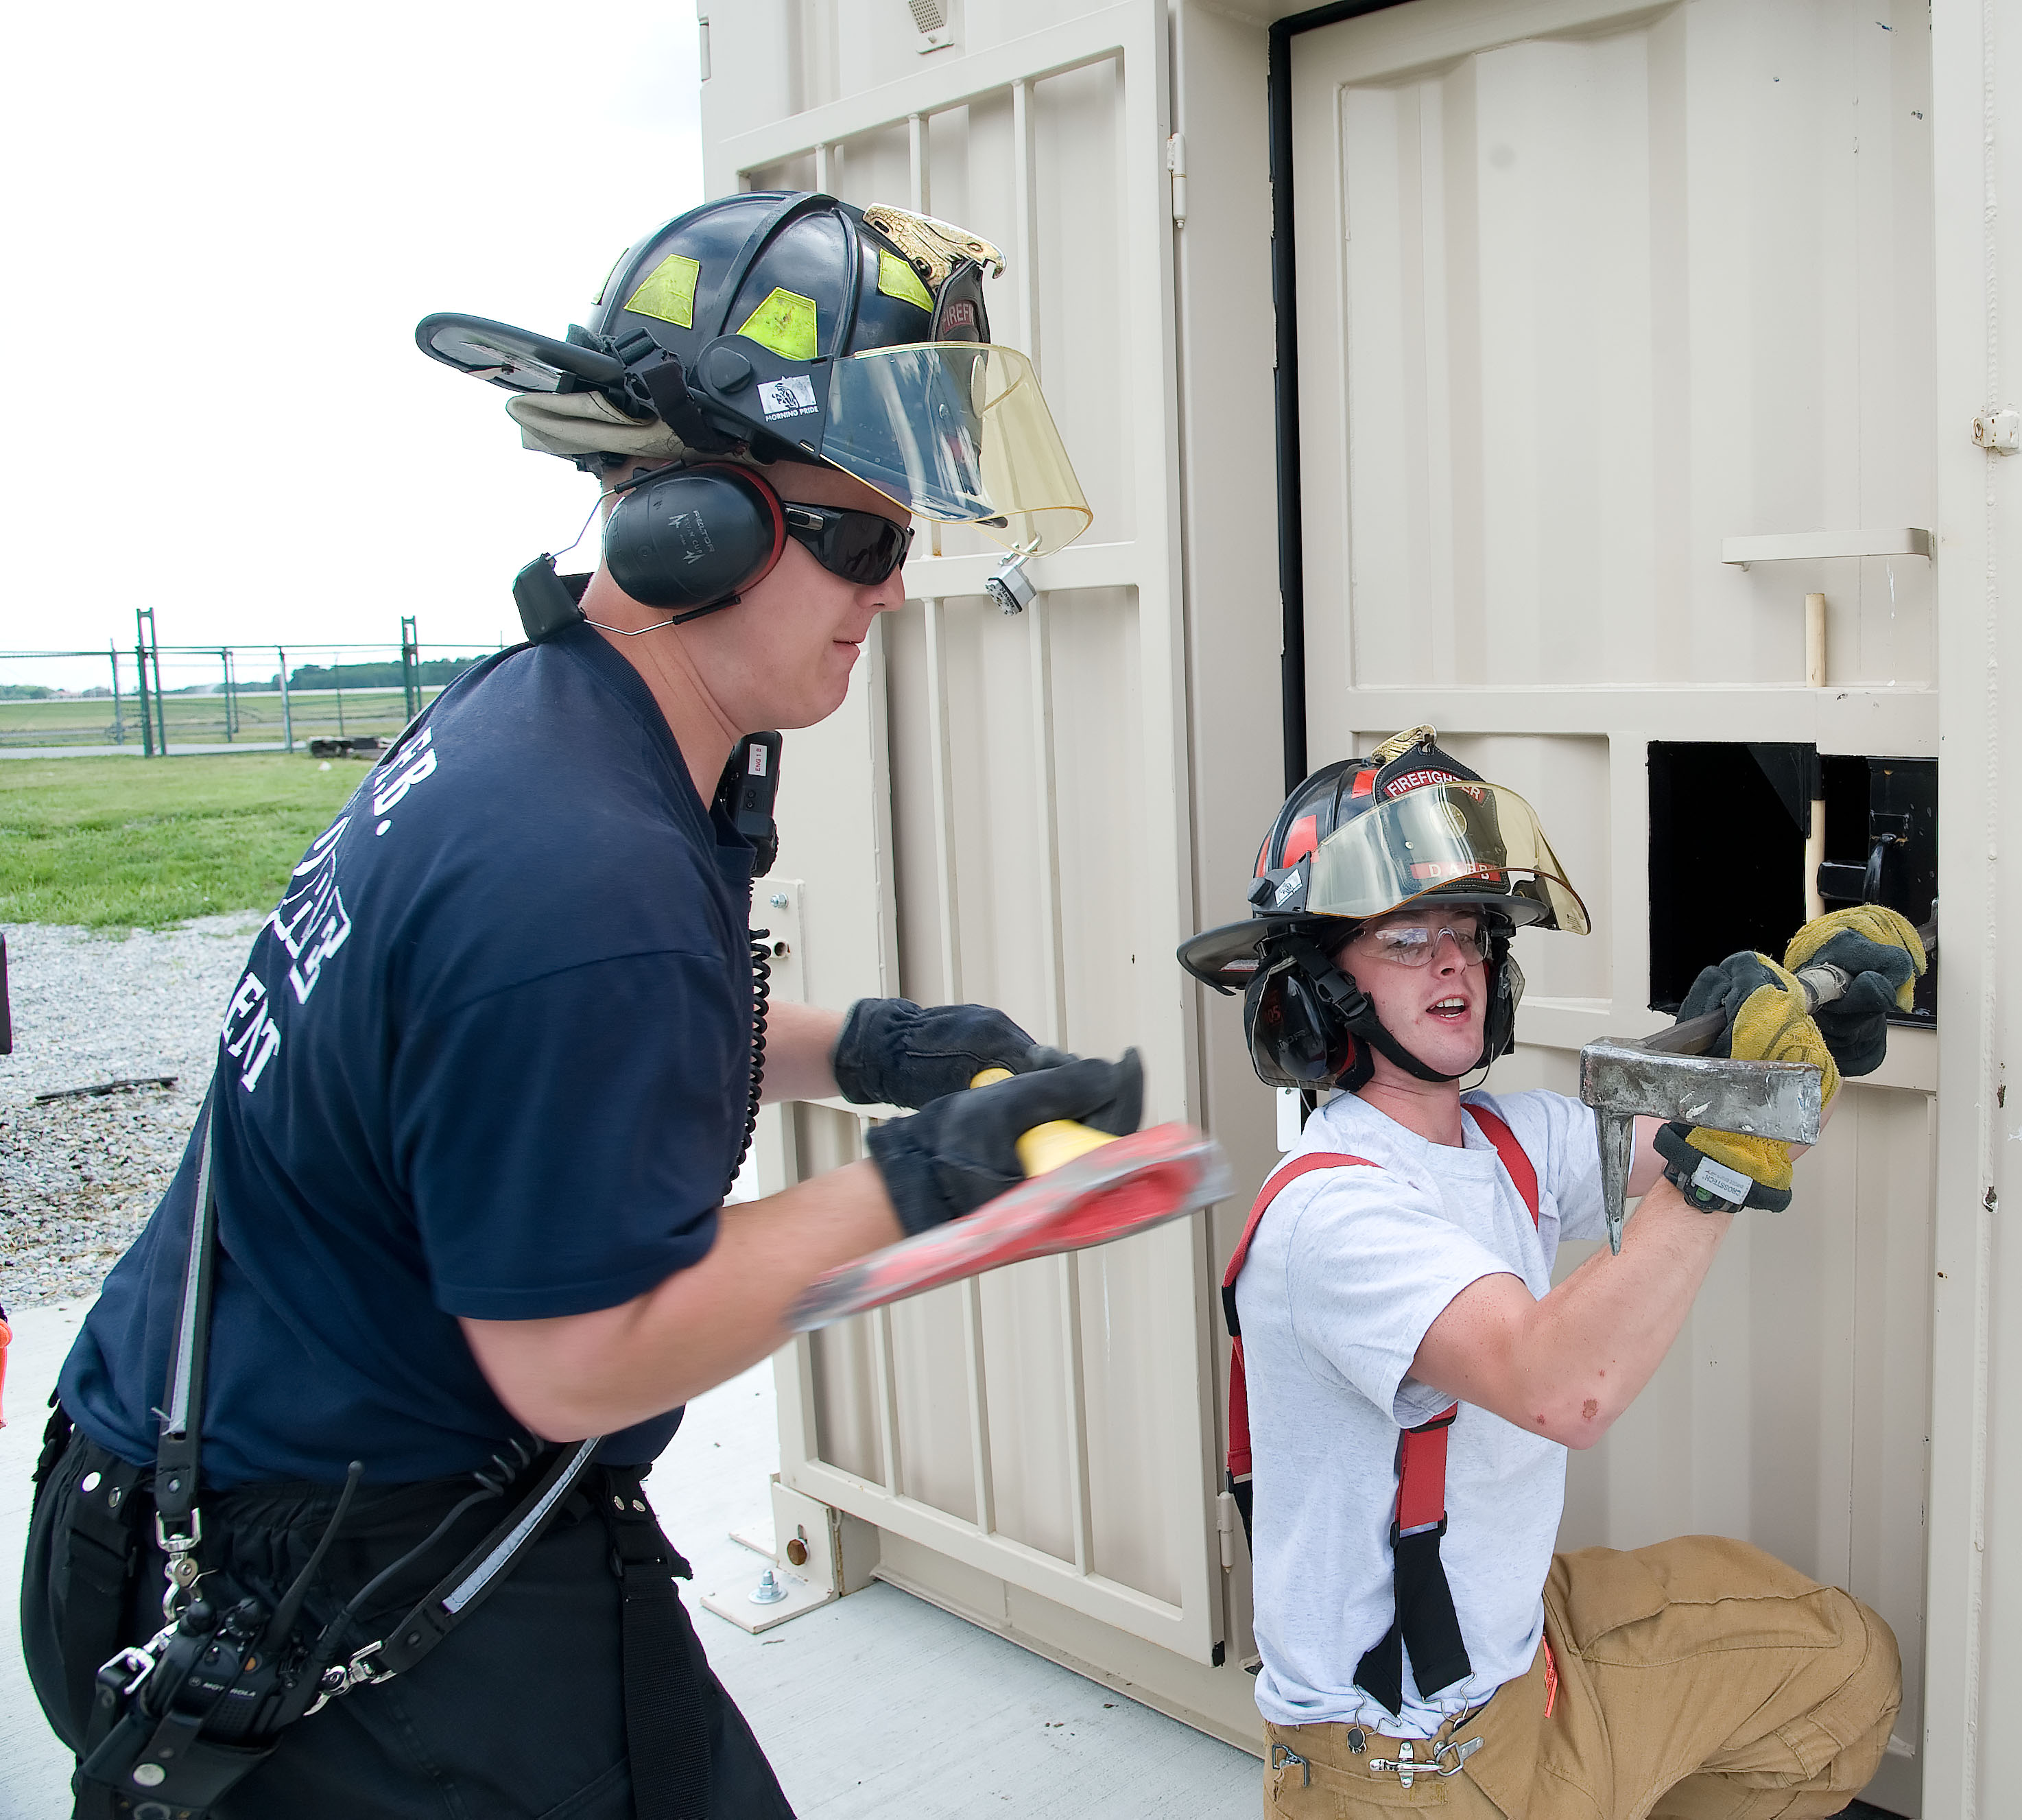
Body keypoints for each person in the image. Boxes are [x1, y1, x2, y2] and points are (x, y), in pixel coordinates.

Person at [21, 191, 1139, 1820]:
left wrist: (874, 1052)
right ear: (701, 526)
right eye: (870, 536)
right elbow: (577, 1361)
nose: (892, 593)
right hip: (323, 1573)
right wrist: (933, 1185)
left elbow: (542, 1072)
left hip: (217, 1478)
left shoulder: (549, 723)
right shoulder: (580, 872)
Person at [1179, 726, 1924, 1819]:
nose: (1453, 961)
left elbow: (1689, 1115)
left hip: (1524, 1652)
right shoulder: (1333, 1214)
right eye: (1405, 936)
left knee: (1843, 1672)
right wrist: (1727, 1166)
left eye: (1470, 934)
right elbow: (1563, 1383)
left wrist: (1797, 1017)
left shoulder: (1503, 1140)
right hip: (1406, 1764)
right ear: (1320, 988)